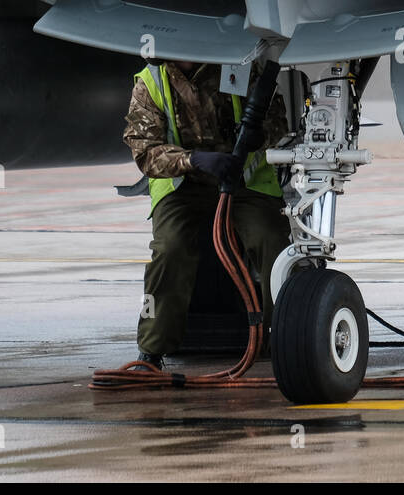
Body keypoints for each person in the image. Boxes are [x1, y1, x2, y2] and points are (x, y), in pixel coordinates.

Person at [123, 60, 291, 370]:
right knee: (169, 249)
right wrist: (193, 160)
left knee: (273, 242)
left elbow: (278, 120)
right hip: (183, 185)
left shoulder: (239, 67)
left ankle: (281, 337)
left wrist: (257, 137)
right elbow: (145, 151)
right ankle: (152, 349)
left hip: (244, 180)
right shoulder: (151, 82)